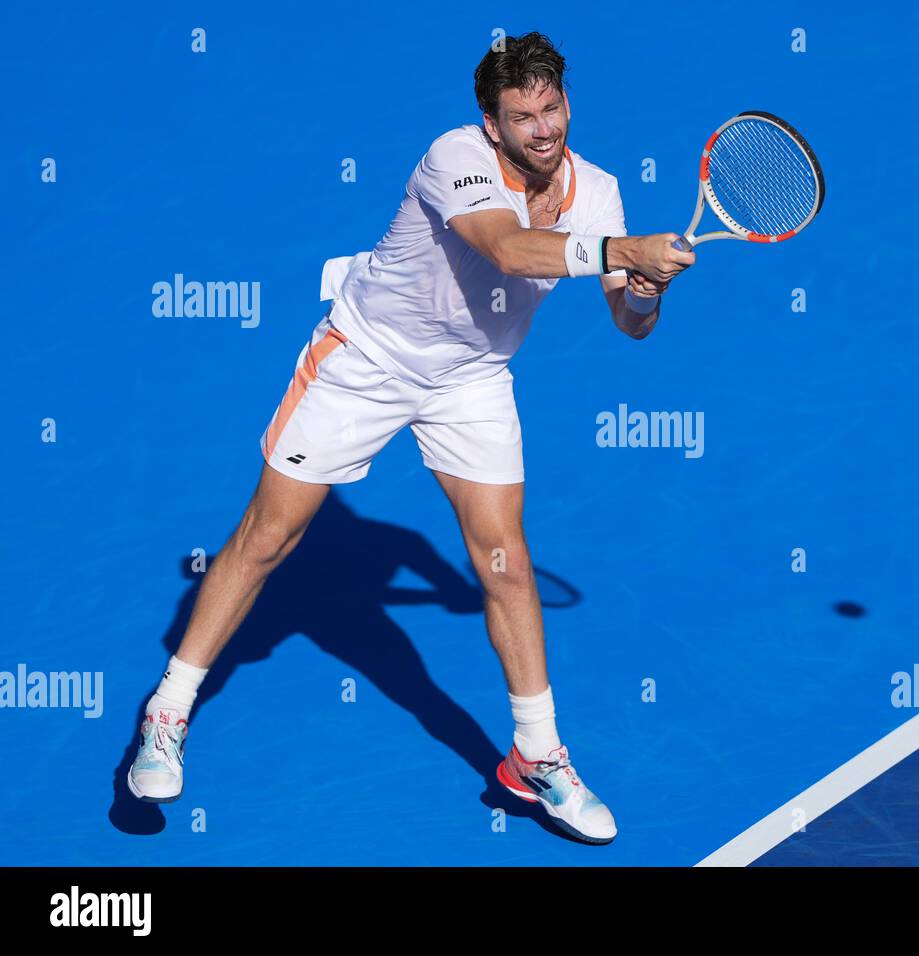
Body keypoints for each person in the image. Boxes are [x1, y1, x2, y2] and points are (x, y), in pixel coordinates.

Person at [126, 30, 695, 846]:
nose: (544, 130)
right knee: (268, 537)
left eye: (553, 108)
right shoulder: (452, 156)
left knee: (503, 559)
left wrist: (643, 289)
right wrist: (618, 251)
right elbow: (503, 246)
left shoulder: (596, 190)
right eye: (522, 116)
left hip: (471, 378)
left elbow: (629, 323)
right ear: (491, 125)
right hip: (367, 358)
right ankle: (168, 710)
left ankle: (536, 757)